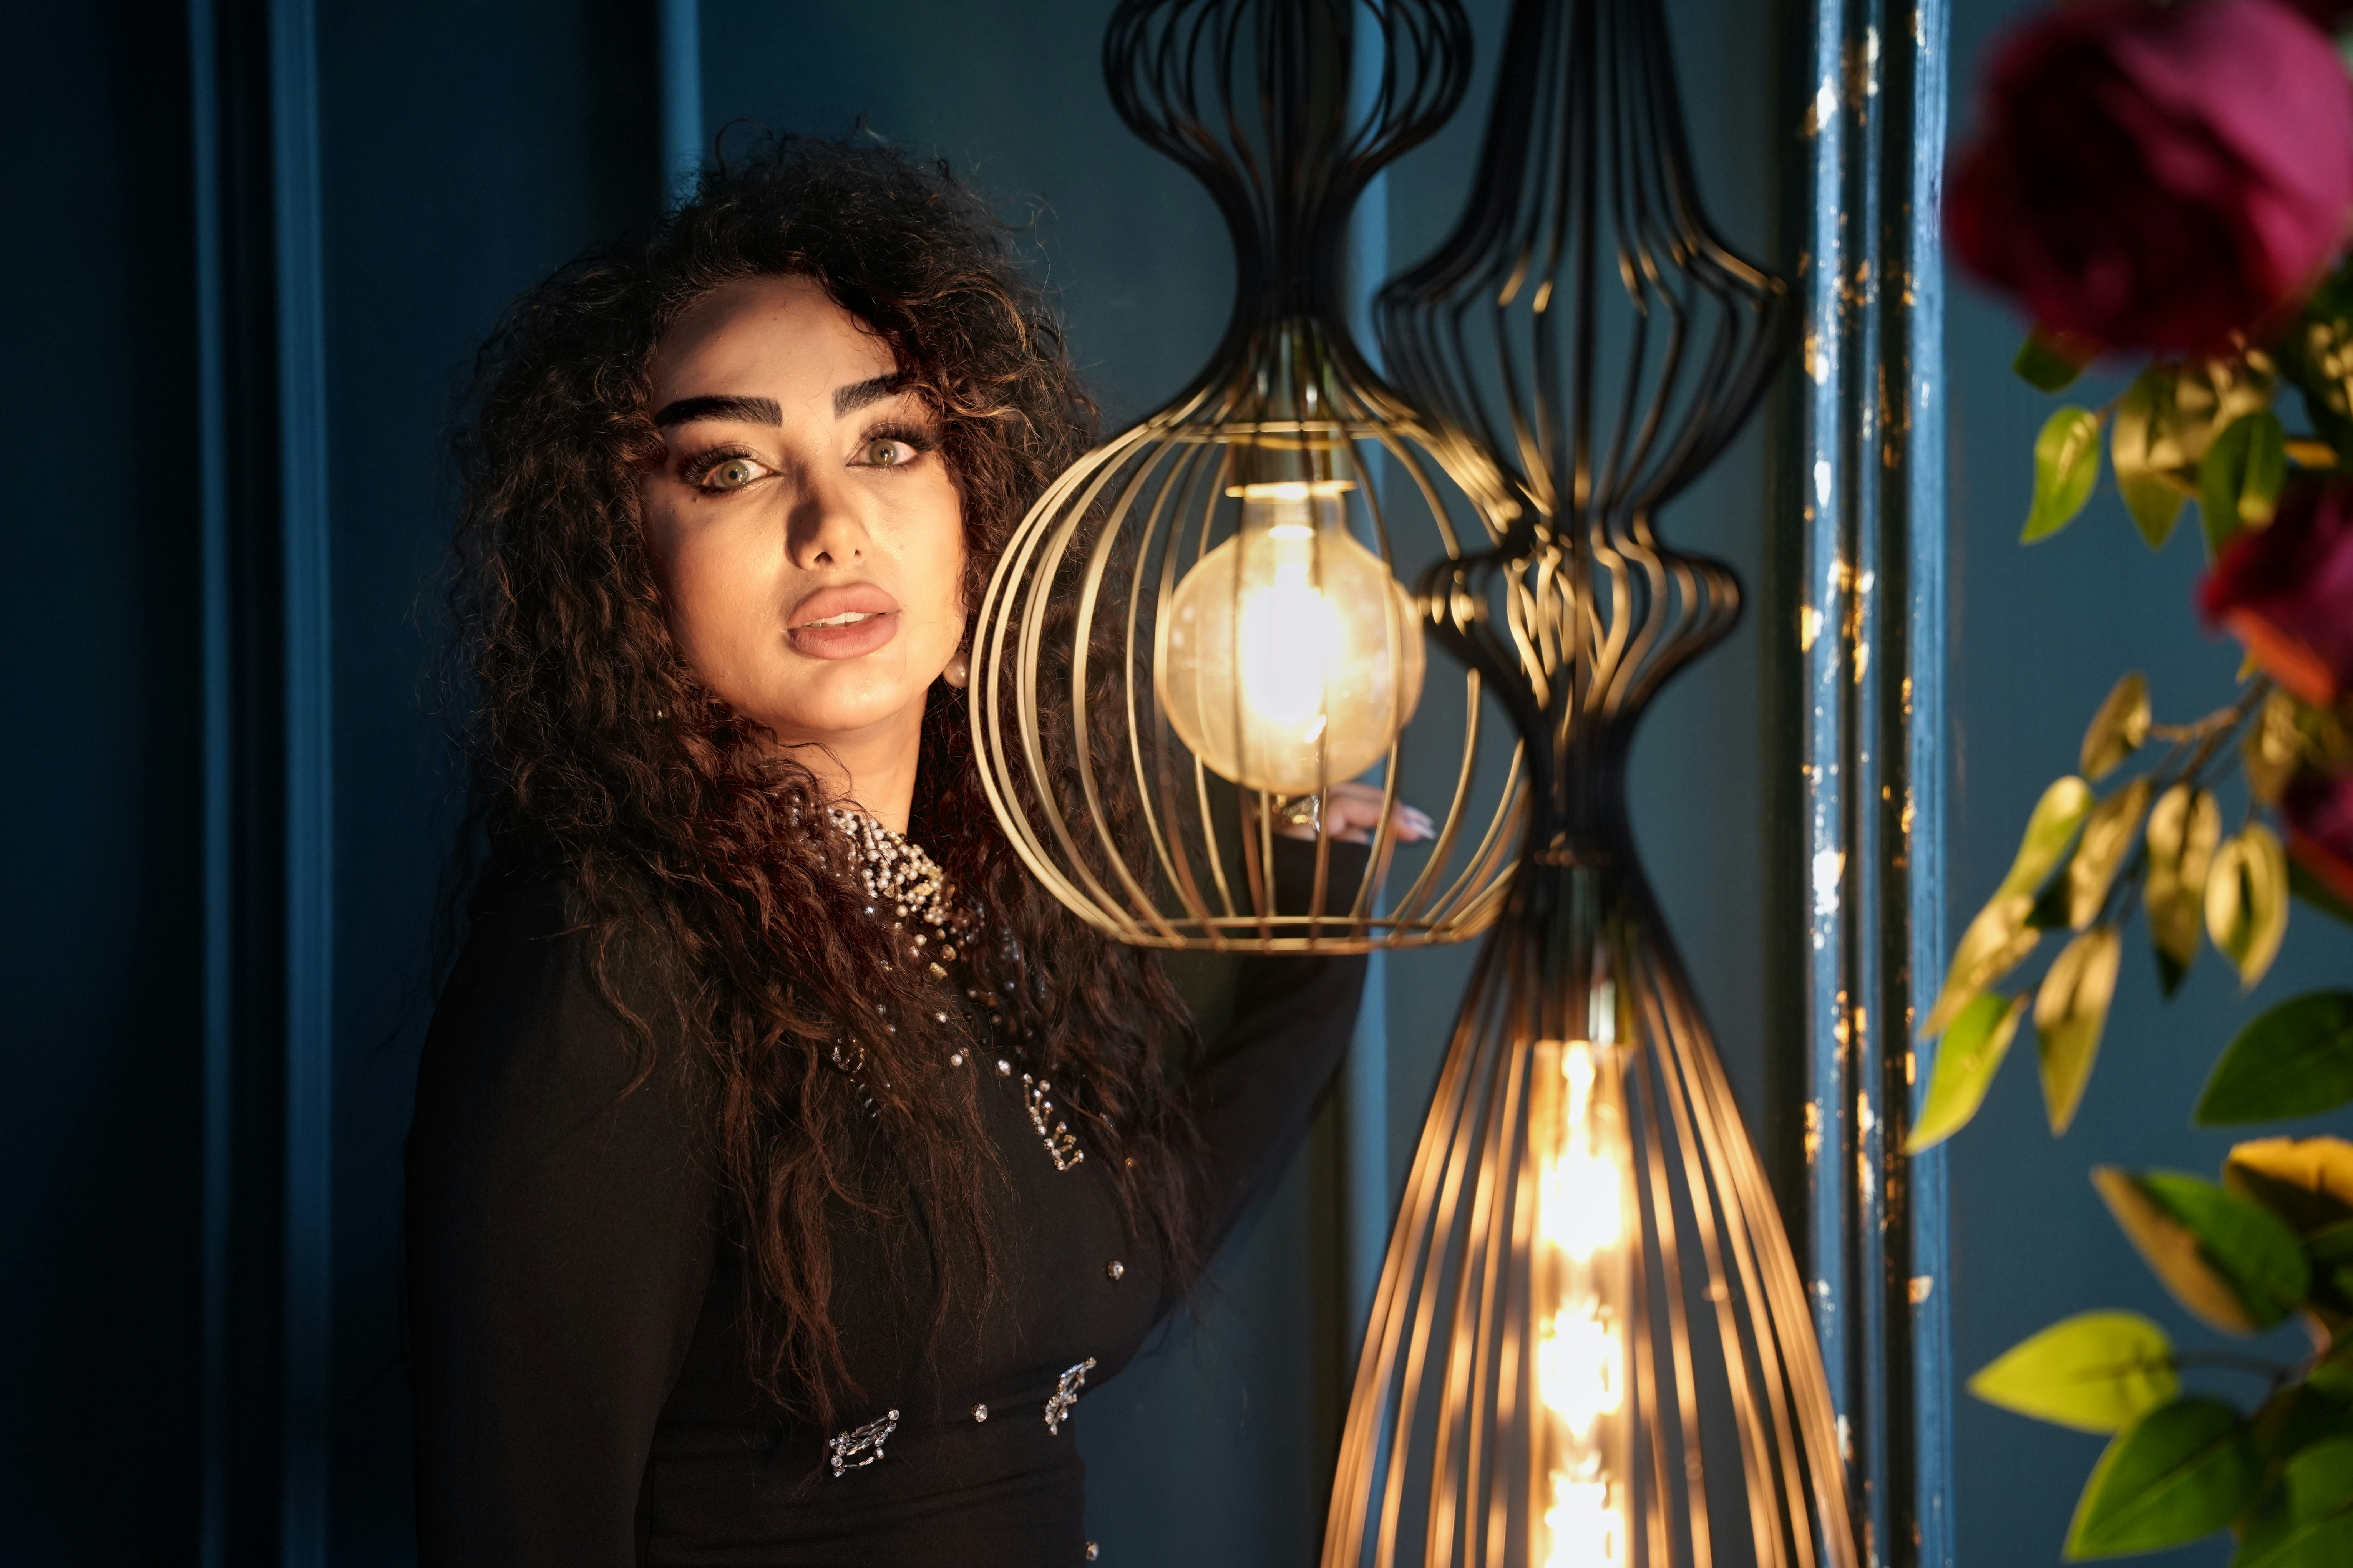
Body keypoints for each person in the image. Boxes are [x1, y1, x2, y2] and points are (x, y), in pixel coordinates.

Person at [405, 134, 1431, 1568]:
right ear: (626, 567)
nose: (832, 528)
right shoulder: (615, 961)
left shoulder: (962, 926)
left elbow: (1121, 1263)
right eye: (728, 468)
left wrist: (1314, 951)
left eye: (888, 443)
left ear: (980, 518)